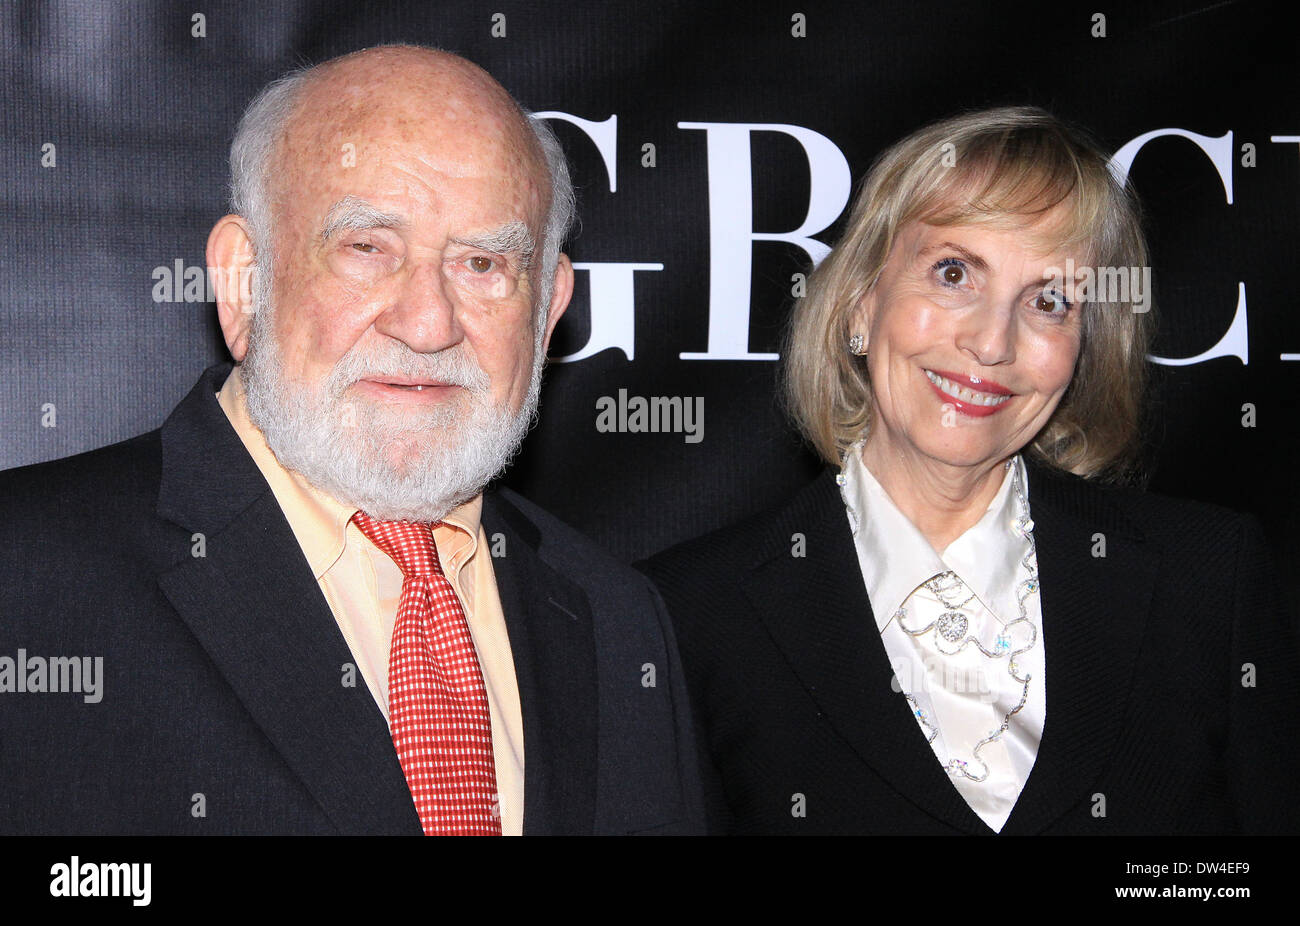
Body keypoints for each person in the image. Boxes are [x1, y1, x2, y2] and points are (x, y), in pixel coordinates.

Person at [0, 45, 704, 836]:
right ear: (243, 281)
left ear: (546, 311)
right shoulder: (25, 578)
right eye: (368, 248)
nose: (429, 324)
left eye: (482, 263)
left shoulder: (620, 622)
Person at [642, 106, 1299, 835]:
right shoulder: (684, 617)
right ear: (861, 300)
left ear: (1083, 346)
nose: (992, 342)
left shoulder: (1207, 582)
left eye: (1050, 301)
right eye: (953, 273)